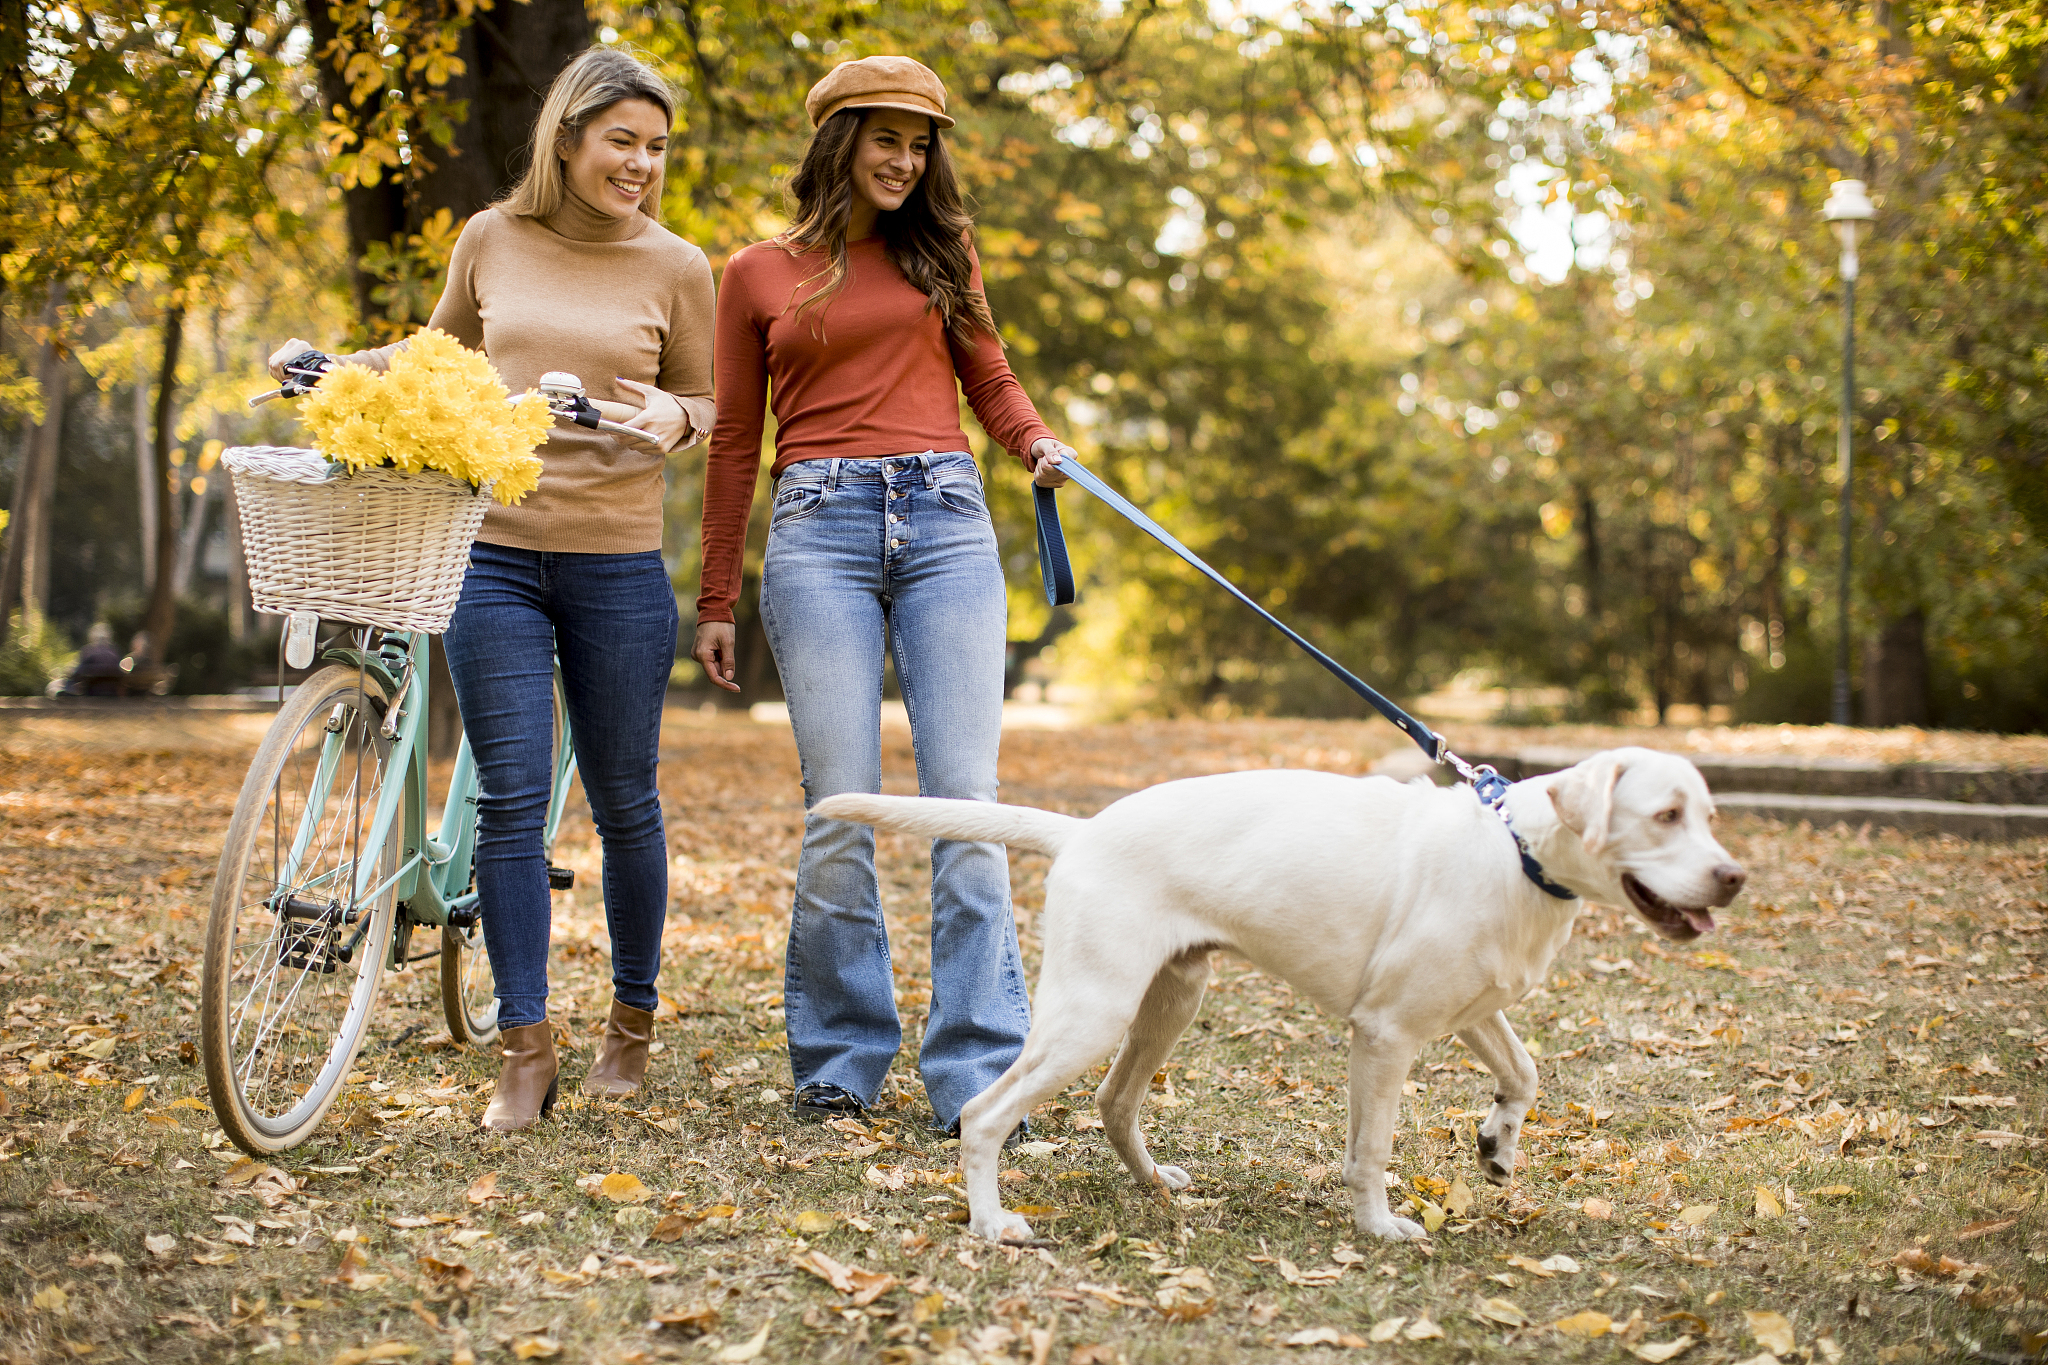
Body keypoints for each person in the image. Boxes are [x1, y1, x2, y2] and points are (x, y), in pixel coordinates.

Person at [268, 46, 715, 1131]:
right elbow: (434, 360)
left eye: (656, 148)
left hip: (616, 562)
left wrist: (677, 418)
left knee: (624, 803)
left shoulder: (677, 265)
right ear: (566, 137)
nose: (641, 166)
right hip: (492, 551)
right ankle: (524, 1043)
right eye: (622, 143)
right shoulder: (490, 238)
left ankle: (631, 1022)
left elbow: (705, 398)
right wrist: (331, 366)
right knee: (508, 800)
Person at [693, 55, 1076, 1138]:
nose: (906, 160)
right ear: (838, 141)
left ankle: (978, 1067)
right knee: (839, 810)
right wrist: (716, 595)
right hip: (818, 530)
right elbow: (732, 441)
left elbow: (989, 380)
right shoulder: (757, 274)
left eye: (921, 143)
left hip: (947, 520)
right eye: (887, 139)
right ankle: (840, 1057)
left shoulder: (943, 251)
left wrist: (1034, 442)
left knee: (966, 800)